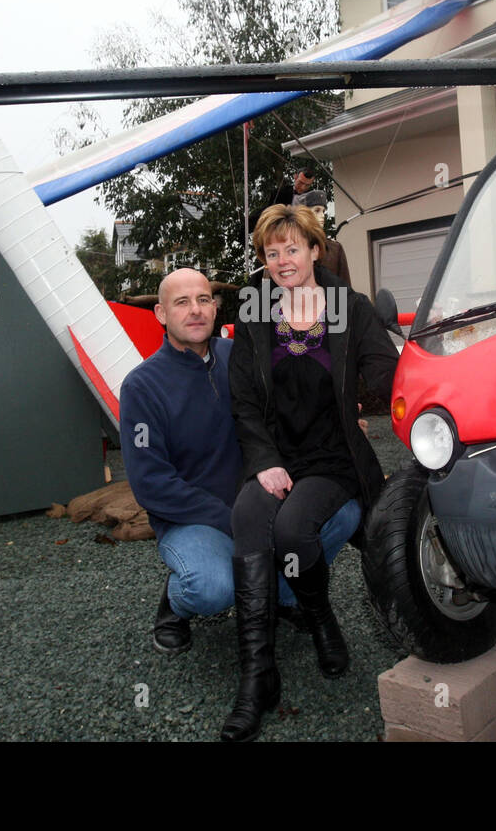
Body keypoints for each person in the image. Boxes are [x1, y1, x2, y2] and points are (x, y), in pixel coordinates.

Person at [221, 205, 399, 742]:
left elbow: (386, 373)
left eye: (292, 249)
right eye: (271, 253)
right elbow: (244, 400)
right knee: (248, 517)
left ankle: (320, 619)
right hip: (277, 453)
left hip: (332, 455)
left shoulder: (348, 306)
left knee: (294, 531)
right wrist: (265, 460)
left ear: (315, 250)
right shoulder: (255, 309)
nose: (282, 261)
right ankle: (258, 675)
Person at [118, 267, 361, 657]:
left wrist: (340, 419)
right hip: (194, 518)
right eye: (181, 302)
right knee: (214, 588)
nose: (195, 310)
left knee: (344, 514)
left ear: (215, 308)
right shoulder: (142, 386)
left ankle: (282, 596)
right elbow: (151, 484)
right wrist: (229, 520)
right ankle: (175, 603)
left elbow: (291, 408)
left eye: (203, 300)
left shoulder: (241, 354)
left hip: (260, 499)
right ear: (161, 314)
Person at [293, 189, 352, 287]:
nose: (322, 216)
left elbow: (344, 289)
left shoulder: (335, 249)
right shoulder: (290, 248)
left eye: (323, 211)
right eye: (317, 210)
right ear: (303, 214)